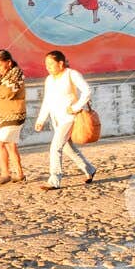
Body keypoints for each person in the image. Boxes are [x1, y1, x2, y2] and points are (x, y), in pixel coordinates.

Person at [34, 49, 96, 189]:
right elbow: (47, 100)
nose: (48, 67)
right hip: (55, 118)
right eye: (46, 64)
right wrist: (41, 119)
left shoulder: (71, 74)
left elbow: (87, 91)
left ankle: (54, 180)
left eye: (50, 64)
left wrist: (75, 107)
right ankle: (90, 169)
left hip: (69, 117)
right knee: (68, 148)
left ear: (60, 63)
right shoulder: (49, 80)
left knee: (55, 147)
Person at [0, 49, 29, 184]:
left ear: (8, 63)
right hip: (3, 116)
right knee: (10, 145)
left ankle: (5, 173)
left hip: (13, 115)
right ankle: (19, 174)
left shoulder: (16, 75)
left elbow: (6, 93)